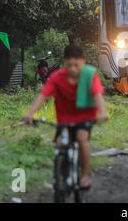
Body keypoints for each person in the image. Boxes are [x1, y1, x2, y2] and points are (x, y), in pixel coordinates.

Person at [23, 44, 107, 189]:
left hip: (85, 116)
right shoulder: (57, 77)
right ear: (64, 63)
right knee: (61, 143)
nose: (73, 69)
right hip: (64, 118)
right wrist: (30, 113)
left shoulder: (89, 75)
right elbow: (43, 95)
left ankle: (84, 175)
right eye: (69, 65)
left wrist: (103, 113)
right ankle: (62, 171)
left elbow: (97, 95)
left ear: (83, 62)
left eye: (76, 65)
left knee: (82, 139)